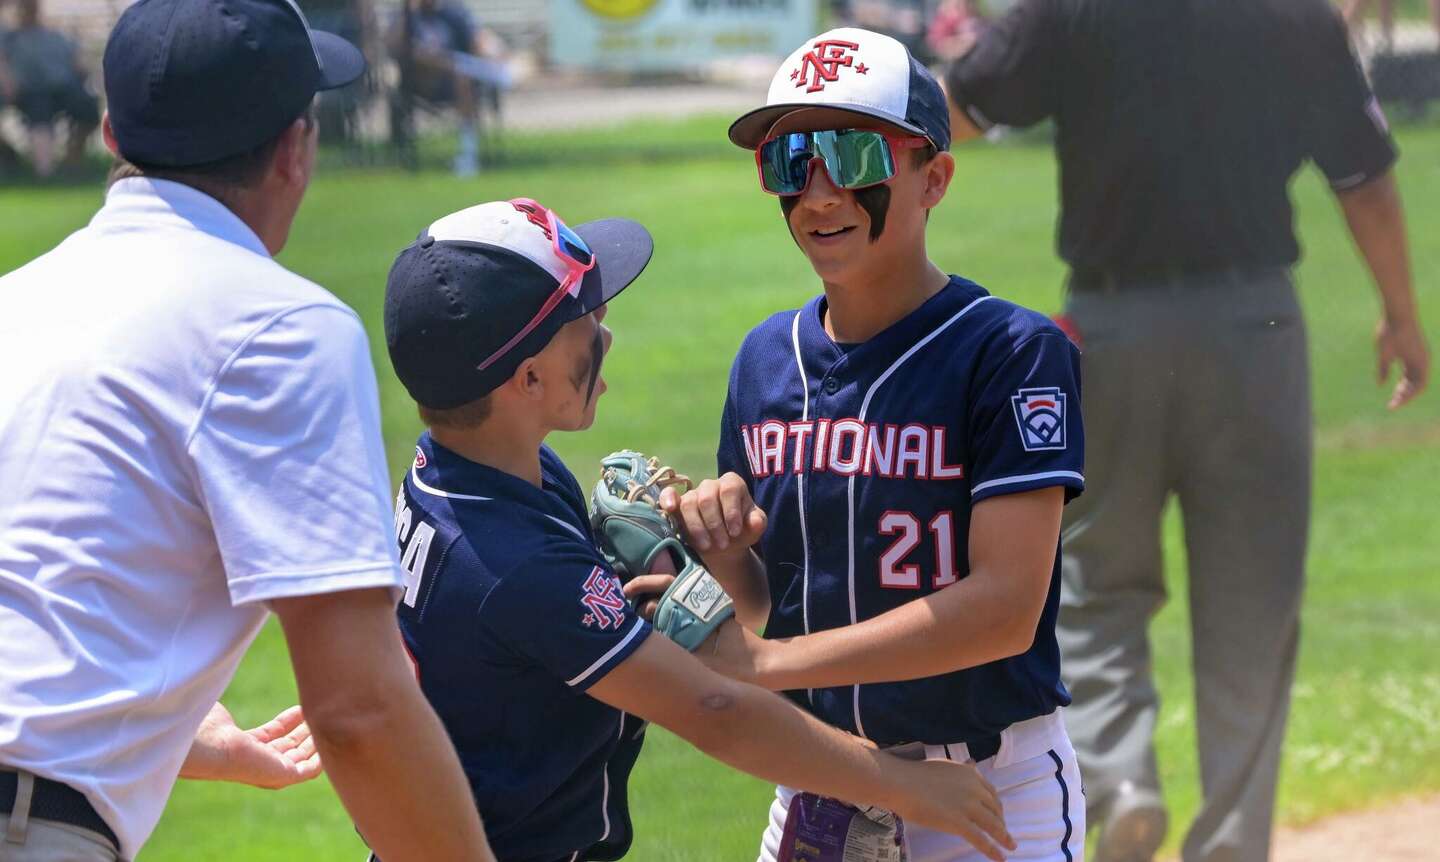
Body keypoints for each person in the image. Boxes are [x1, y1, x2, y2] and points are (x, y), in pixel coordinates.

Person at [376, 197, 1019, 862]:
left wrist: (709, 559)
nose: (606, 333)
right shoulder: (520, 564)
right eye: (584, 320)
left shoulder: (456, 477)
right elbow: (716, 709)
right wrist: (907, 786)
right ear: (529, 376)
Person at [0, 1, 493, 860]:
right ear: (296, 148)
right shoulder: (285, 327)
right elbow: (358, 711)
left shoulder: (17, 302)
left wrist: (169, 738)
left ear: (112, 134)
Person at [942, 2, 1431, 860]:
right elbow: (1364, 177)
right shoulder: (1292, 13)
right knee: (1253, 608)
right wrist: (1399, 309)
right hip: (1256, 331)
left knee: (1096, 590)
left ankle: (1123, 779)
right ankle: (1233, 845)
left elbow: (952, 113)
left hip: (1111, 328)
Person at [660, 26, 1089, 862]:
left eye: (852, 156)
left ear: (935, 178)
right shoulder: (763, 360)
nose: (819, 193)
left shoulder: (1009, 352)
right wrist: (720, 552)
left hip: (987, 791)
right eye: (790, 162)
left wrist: (766, 664)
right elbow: (758, 605)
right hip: (820, 784)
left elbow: (1006, 610)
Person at [386, 0, 506, 177]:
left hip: (453, 83)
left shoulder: (451, 14)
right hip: (420, 84)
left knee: (463, 78)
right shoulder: (406, 16)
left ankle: (468, 153)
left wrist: (490, 53)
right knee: (426, 57)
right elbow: (394, 48)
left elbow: (475, 40)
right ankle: (403, 157)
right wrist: (409, 13)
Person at [0, 0, 98, 177]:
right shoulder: (9, 37)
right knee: (40, 115)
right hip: (31, 92)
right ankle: (45, 174)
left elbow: (80, 64)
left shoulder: (56, 34)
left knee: (88, 109)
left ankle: (71, 163)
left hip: (65, 88)